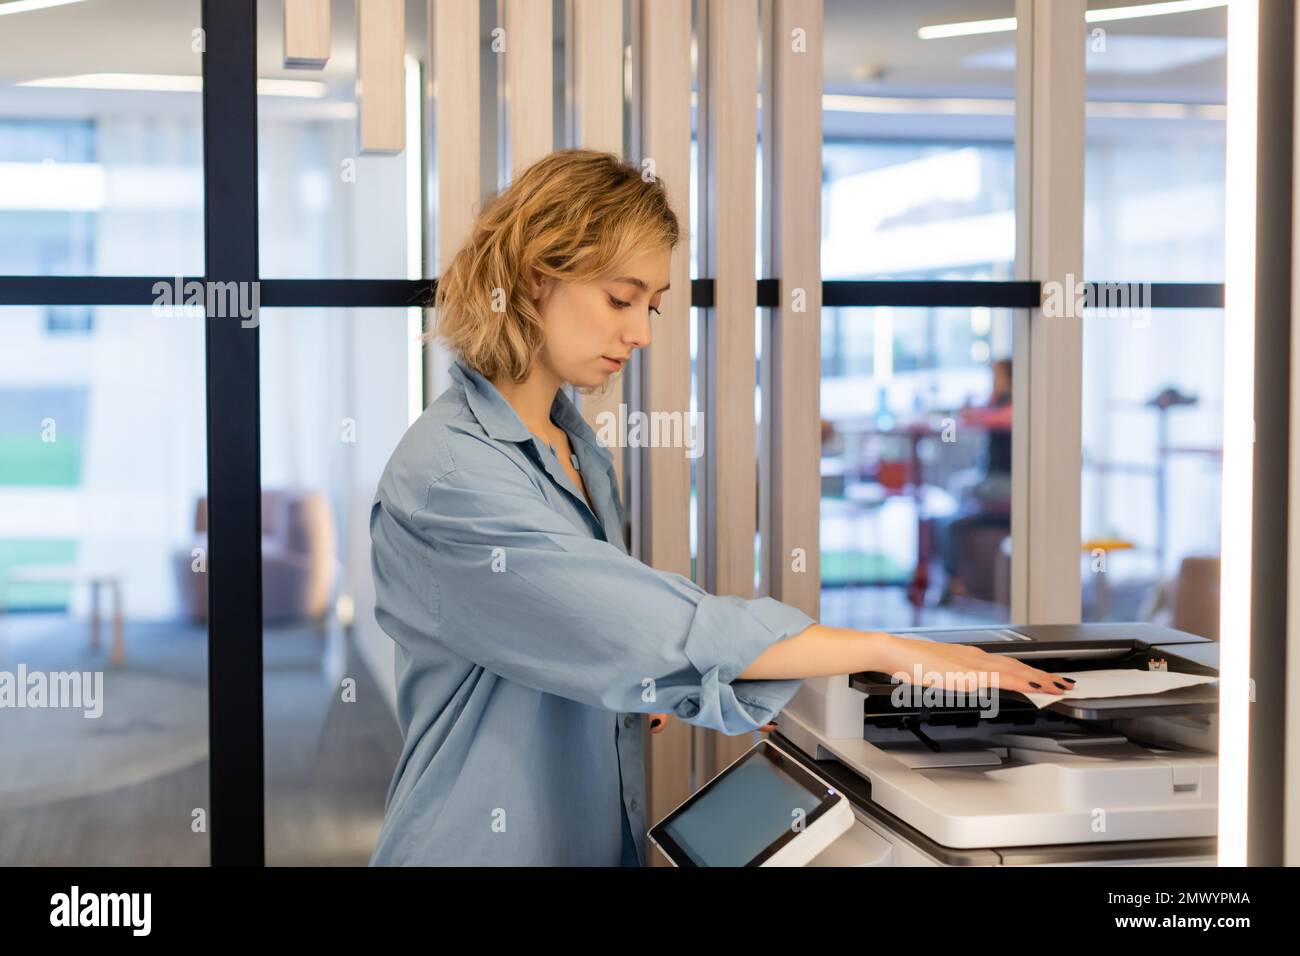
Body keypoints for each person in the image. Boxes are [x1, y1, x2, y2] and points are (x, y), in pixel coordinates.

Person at [366, 149, 1070, 867]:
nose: (641, 332)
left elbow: (581, 634)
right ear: (536, 275)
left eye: (653, 305)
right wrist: (891, 649)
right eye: (620, 298)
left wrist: (639, 682)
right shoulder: (451, 475)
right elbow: (646, 627)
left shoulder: (573, 448)